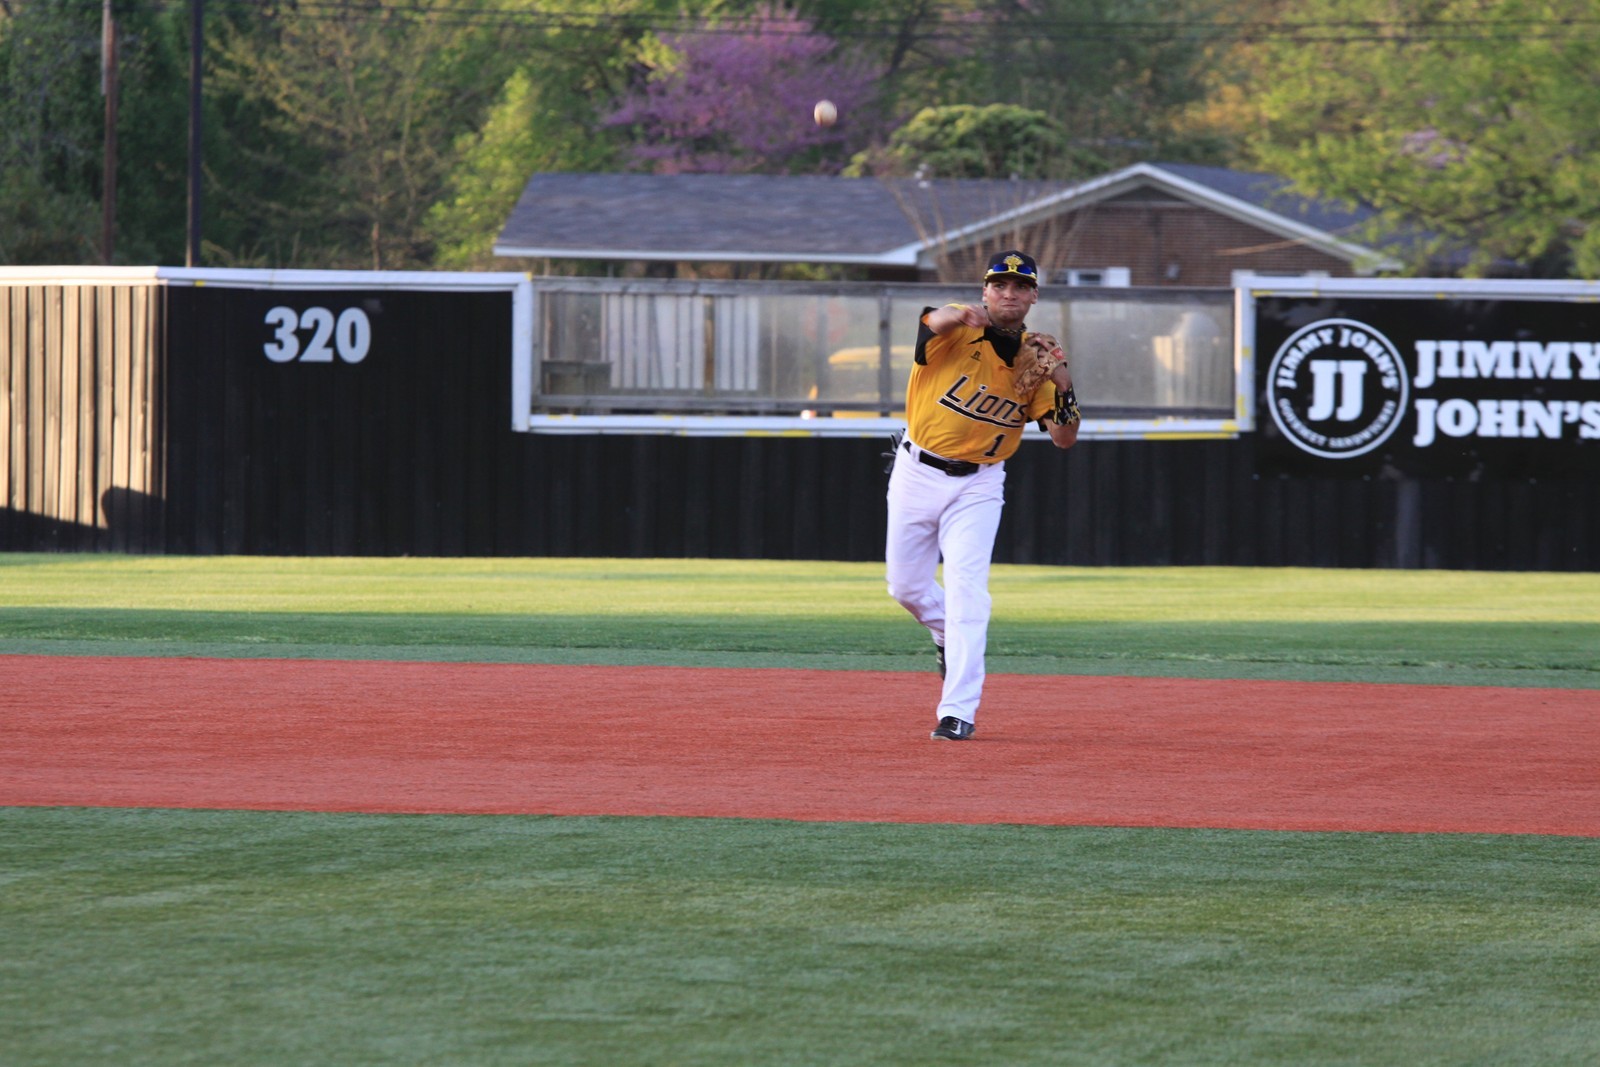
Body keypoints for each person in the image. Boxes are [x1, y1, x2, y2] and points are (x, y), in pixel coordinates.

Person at [885, 249, 1079, 740]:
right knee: (904, 588)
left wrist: (1063, 382)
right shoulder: (955, 329)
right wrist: (958, 315)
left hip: (980, 481)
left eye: (1020, 286)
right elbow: (931, 324)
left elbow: (1064, 438)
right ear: (985, 290)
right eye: (999, 284)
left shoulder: (1035, 359)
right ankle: (948, 633)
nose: (1008, 293)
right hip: (917, 469)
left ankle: (958, 711)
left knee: (968, 590)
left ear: (1034, 296)